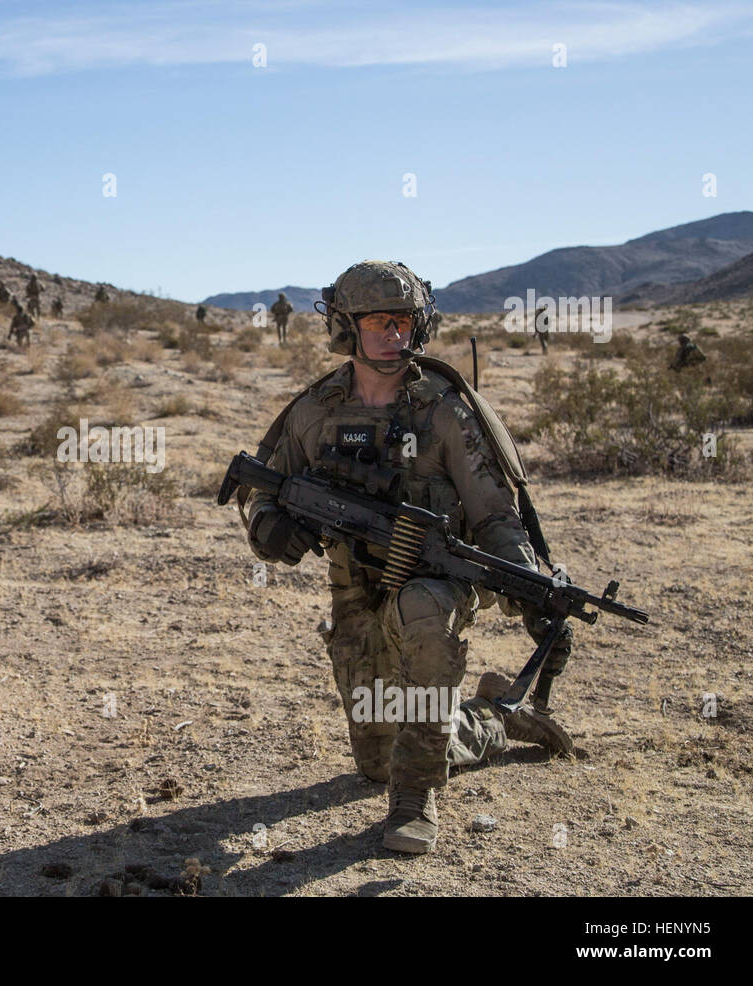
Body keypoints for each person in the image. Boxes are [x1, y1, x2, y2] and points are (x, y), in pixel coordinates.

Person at [243, 260, 573, 855]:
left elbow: (497, 516)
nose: (395, 335)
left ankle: (416, 799)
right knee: (377, 760)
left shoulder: (445, 410)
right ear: (346, 328)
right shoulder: (315, 409)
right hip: (356, 593)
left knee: (425, 615)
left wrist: (529, 583)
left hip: (433, 584)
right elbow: (262, 485)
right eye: (378, 323)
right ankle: (499, 717)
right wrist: (269, 526)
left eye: (404, 322)